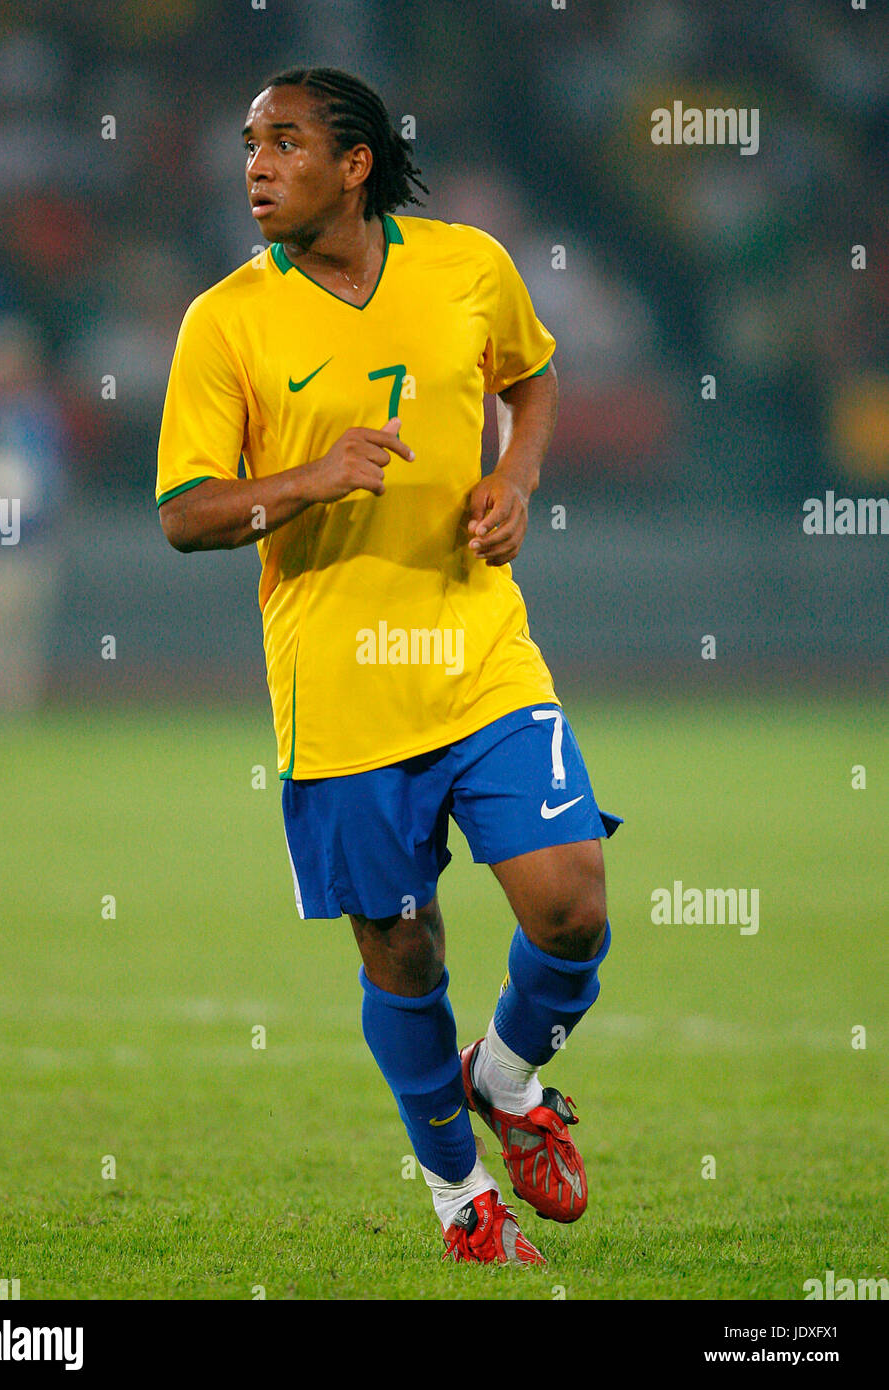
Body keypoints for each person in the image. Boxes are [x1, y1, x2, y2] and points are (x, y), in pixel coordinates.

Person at [156, 66, 621, 1265]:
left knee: (570, 905)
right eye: (249, 142)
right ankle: (460, 1194)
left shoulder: (468, 263)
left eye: (285, 142)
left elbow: (533, 378)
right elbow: (187, 513)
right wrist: (307, 480)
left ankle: (508, 1077)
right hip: (342, 687)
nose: (256, 164)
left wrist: (513, 483)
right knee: (403, 948)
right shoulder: (226, 319)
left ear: (354, 163)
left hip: (481, 651)